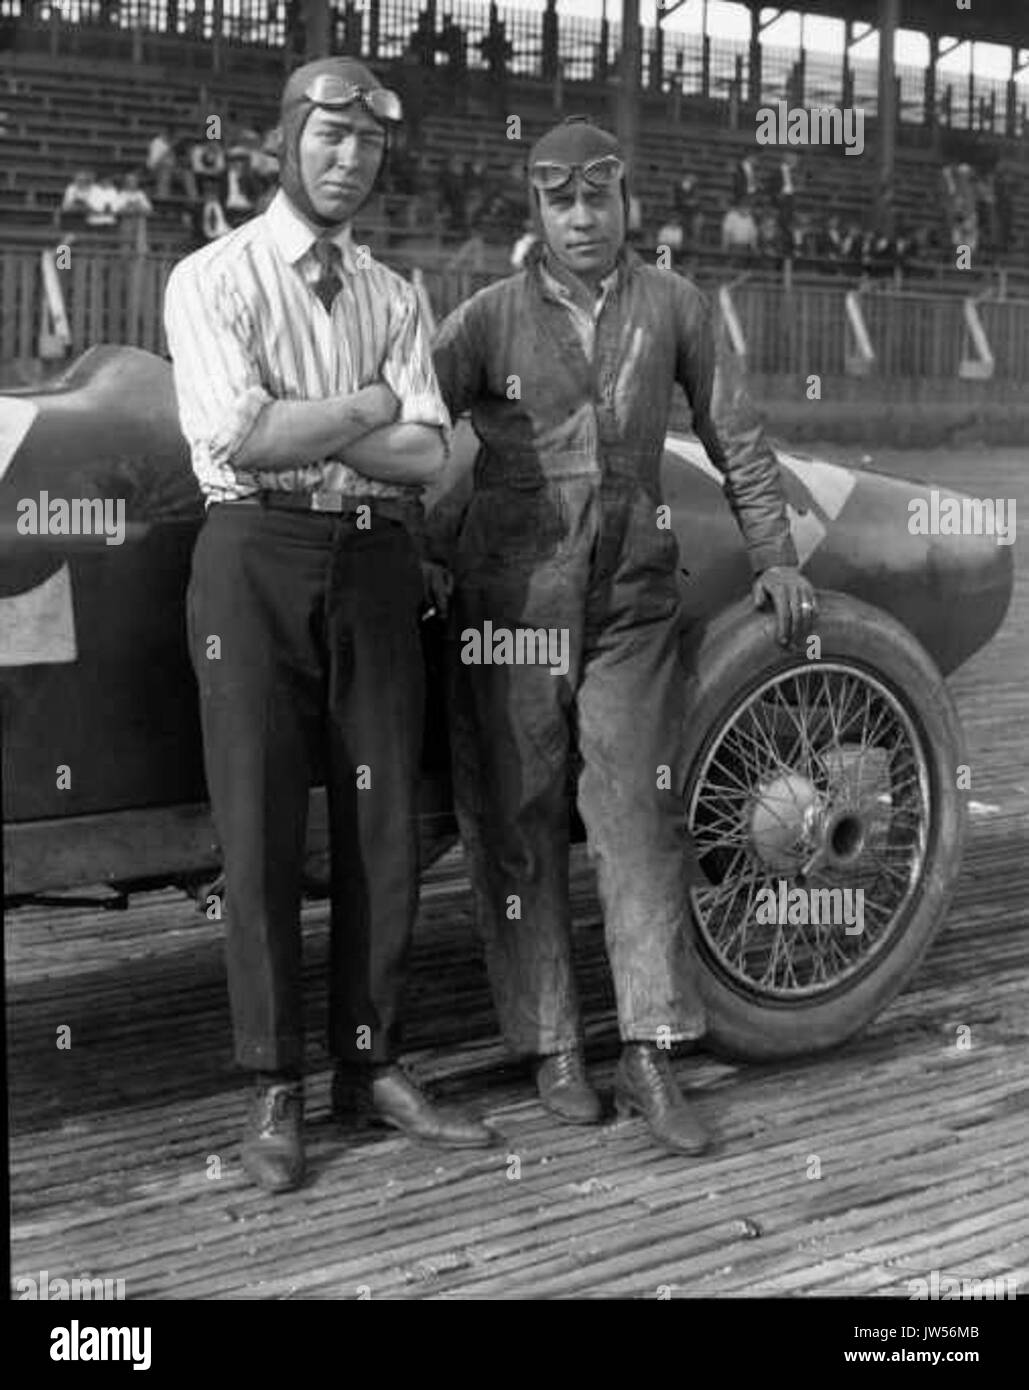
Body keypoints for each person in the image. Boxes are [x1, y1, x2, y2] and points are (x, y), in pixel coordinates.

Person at [426, 117, 816, 1156]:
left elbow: (738, 435)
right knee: (518, 815)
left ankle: (649, 1048)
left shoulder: (678, 305)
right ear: (537, 212)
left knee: (637, 817)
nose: (585, 218)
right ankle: (552, 1044)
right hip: (508, 608)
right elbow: (415, 431)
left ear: (627, 203)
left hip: (630, 604)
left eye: (602, 198)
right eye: (564, 202)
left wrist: (776, 555)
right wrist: (422, 546)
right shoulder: (486, 320)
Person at [163, 56, 494, 1196]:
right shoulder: (212, 277)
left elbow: (432, 454)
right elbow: (236, 436)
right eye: (329, 138)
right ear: (289, 140)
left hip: (373, 561)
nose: (348, 161)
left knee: (383, 823)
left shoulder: (395, 293)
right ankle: (274, 1083)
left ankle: (373, 1061)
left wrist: (326, 424)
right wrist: (364, 409)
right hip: (253, 554)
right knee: (255, 825)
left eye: (367, 147)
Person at [116, 170, 153, 254]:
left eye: (134, 181)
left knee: (141, 221)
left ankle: (140, 252)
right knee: (125, 245)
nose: (132, 183)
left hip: (139, 223)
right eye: (129, 181)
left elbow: (148, 209)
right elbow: (118, 210)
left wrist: (134, 207)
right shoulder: (122, 194)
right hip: (126, 222)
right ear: (125, 182)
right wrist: (133, 207)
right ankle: (125, 253)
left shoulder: (140, 194)